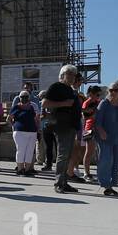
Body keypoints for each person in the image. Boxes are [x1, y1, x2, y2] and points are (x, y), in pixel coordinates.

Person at [42, 65, 82, 193]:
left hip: (71, 126)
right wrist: (64, 104)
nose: (72, 77)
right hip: (62, 125)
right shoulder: (57, 86)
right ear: (62, 74)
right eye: (69, 74)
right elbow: (44, 103)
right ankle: (58, 183)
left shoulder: (70, 90)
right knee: (63, 154)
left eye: (74, 75)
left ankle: (64, 182)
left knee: (68, 155)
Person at [94, 79, 118, 196]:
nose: (113, 92)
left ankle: (112, 183)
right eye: (111, 90)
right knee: (106, 160)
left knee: (117, 161)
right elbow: (97, 121)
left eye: (116, 90)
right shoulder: (104, 103)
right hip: (105, 137)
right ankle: (106, 184)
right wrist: (101, 131)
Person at [9, 89, 40, 176]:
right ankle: (20, 169)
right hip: (19, 132)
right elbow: (9, 118)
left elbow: (37, 119)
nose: (24, 98)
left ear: (29, 98)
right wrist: (14, 126)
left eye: (26, 97)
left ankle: (27, 170)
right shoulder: (16, 107)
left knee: (30, 151)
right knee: (21, 150)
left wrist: (38, 129)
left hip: (32, 131)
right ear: (20, 98)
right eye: (22, 97)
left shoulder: (33, 107)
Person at [79, 85, 103, 182]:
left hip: (97, 128)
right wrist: (94, 113)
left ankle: (98, 172)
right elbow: (85, 116)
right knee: (89, 151)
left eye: (99, 95)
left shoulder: (98, 102)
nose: (98, 96)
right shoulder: (87, 102)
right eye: (97, 94)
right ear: (91, 94)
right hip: (88, 128)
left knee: (97, 152)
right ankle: (86, 173)